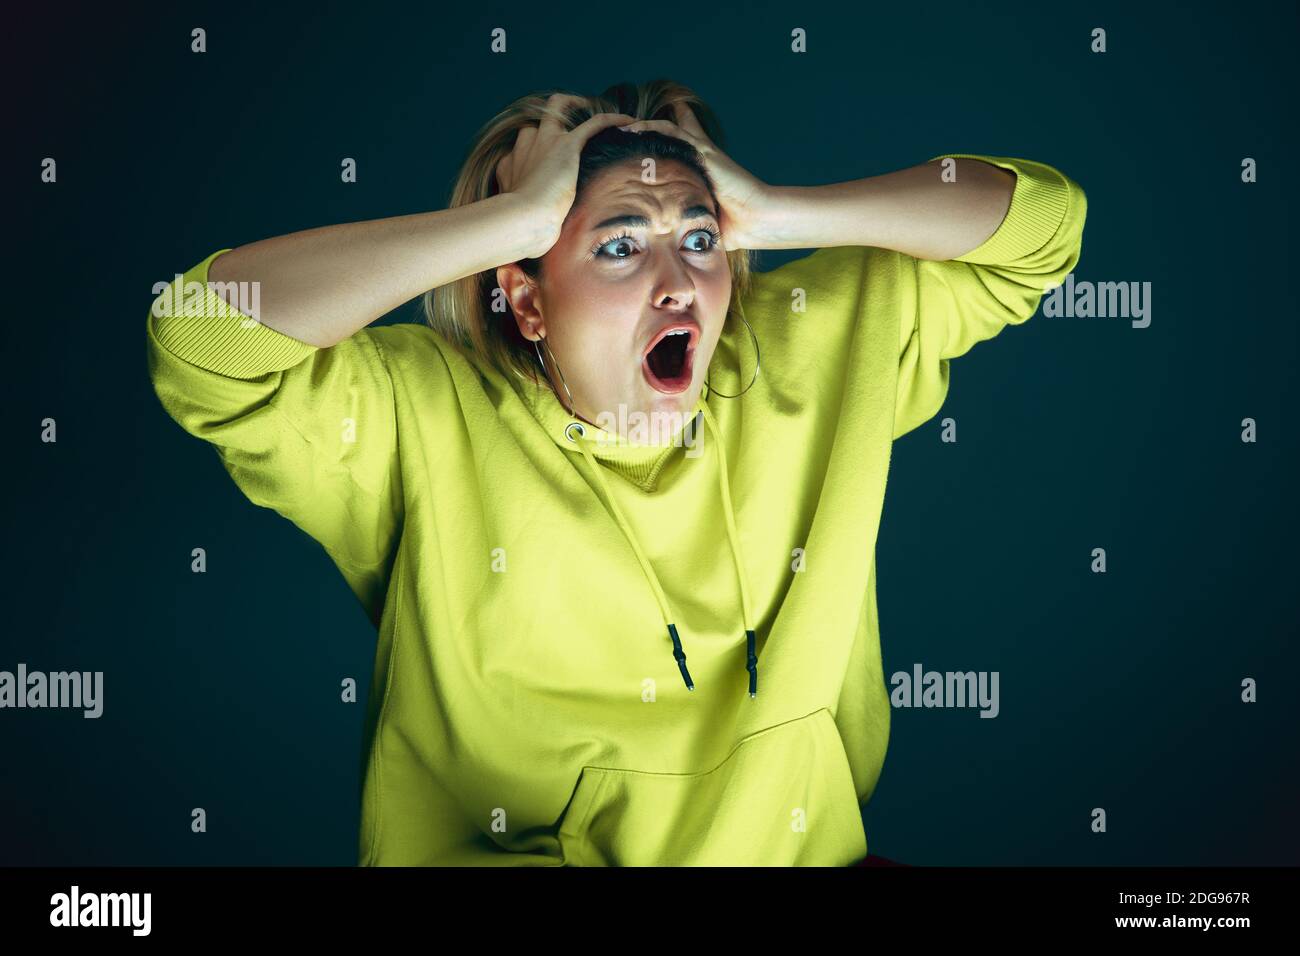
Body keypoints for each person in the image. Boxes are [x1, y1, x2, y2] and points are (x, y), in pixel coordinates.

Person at [145, 78, 1087, 866]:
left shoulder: (807, 346)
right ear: (526, 300)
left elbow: (1041, 224)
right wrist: (511, 221)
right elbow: (200, 333)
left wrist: (774, 208)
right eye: (619, 245)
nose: (677, 279)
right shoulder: (418, 414)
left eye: (701, 239)